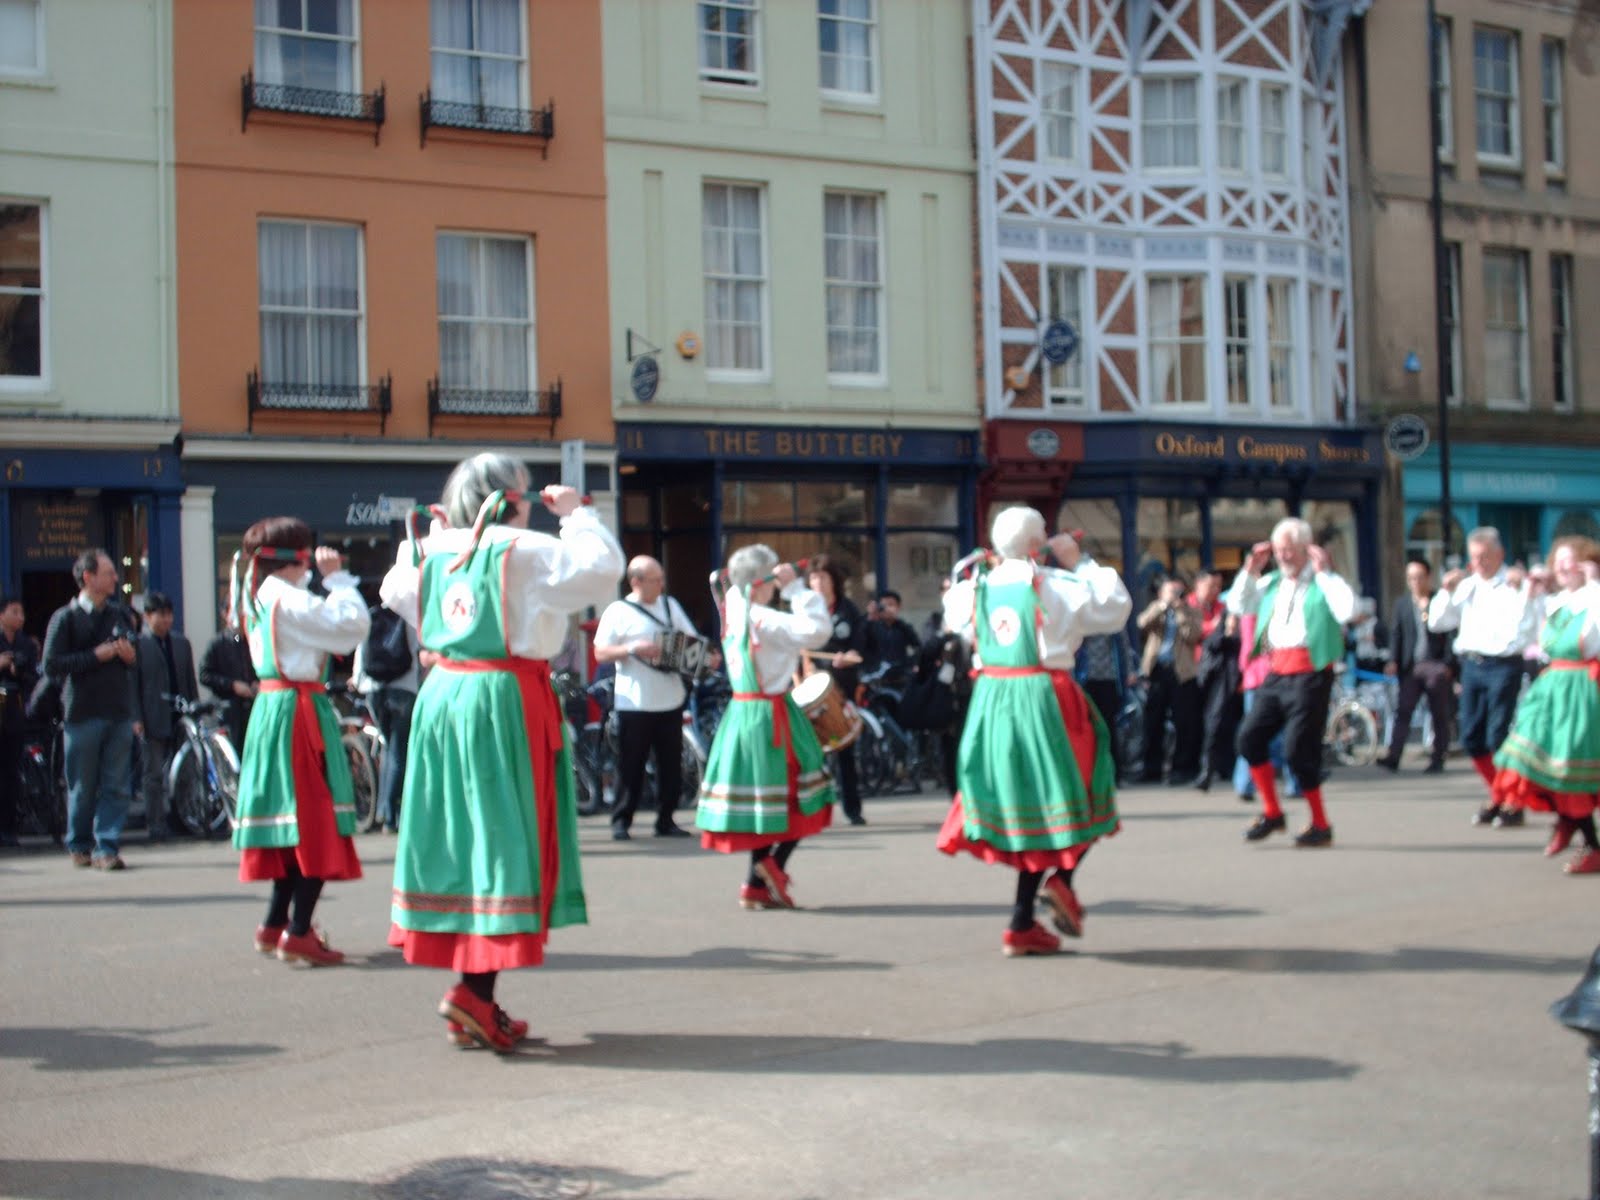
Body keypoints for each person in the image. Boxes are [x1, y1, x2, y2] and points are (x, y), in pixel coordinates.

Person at [382, 453, 623, 1053]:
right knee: (502, 835)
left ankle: (476, 993)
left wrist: (436, 537)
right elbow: (600, 572)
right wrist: (577, 516)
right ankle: (473, 995)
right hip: (504, 697)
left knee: (464, 837)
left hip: (443, 696)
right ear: (516, 499)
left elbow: (395, 591)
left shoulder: (432, 552)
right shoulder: (524, 550)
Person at [939, 510, 1130, 956]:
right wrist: (1078, 559)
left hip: (993, 700)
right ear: (1035, 545)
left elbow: (956, 617)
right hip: (1045, 698)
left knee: (1030, 805)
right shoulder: (1060, 586)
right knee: (1081, 793)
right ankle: (1057, 884)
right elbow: (1115, 609)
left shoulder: (972, 589)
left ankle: (1023, 921)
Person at [231, 520, 368, 965]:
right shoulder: (291, 598)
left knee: (292, 824)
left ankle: (275, 924)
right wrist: (339, 581)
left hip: (272, 709)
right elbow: (351, 628)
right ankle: (299, 930)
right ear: (297, 556)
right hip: (299, 712)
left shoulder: (258, 596)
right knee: (317, 822)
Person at [695, 544, 835, 911]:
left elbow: (733, 589)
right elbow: (818, 632)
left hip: (742, 714)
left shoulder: (734, 610)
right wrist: (798, 591)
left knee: (762, 799)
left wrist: (770, 580)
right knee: (806, 794)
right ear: (760, 582)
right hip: (773, 714)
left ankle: (756, 882)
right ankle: (770, 868)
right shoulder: (765, 619)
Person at [1227, 518, 1356, 847]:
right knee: (1249, 739)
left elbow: (1347, 610)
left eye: (1290, 551)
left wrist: (1325, 572)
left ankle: (1320, 823)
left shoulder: (1322, 584)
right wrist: (1250, 570)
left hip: (1310, 673)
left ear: (1306, 550)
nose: (1283, 557)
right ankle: (1273, 812)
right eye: (1279, 550)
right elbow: (1238, 605)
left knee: (1299, 749)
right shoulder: (1271, 582)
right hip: (1276, 672)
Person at [1489, 537, 1600, 874]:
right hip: (1550, 688)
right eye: (1560, 561)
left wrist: (1595, 582)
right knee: (1527, 758)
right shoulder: (1556, 602)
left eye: (1572, 560)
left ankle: (1590, 843)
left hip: (1581, 688)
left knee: (1567, 765)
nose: (1565, 567)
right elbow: (1520, 638)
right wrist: (1530, 597)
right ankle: (1567, 823)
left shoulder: (1593, 598)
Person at [1428, 527, 1539, 827]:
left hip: (1504, 664)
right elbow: (1438, 622)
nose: (1480, 563)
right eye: (1475, 557)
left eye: (1486, 556)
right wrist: (1446, 590)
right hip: (1473, 665)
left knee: (1497, 736)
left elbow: (1528, 627)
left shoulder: (1513, 583)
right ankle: (1499, 794)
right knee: (1472, 738)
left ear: (1499, 555)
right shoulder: (1467, 586)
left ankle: (1512, 803)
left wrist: (1524, 591)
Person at [593, 555, 709, 840]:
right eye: (656, 580)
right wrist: (633, 648)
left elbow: (691, 640)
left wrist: (704, 657)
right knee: (631, 764)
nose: (662, 584)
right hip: (634, 702)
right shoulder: (618, 611)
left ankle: (666, 819)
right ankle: (622, 820)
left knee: (671, 763)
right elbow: (601, 652)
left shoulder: (670, 606)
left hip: (670, 698)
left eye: (661, 578)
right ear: (636, 582)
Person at [42, 549, 139, 870]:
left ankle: (107, 847)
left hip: (118, 711)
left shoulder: (119, 614)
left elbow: (133, 652)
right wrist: (94, 656)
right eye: (109, 572)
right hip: (81, 713)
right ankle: (79, 843)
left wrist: (127, 655)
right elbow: (52, 664)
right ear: (88, 577)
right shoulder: (64, 618)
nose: (115, 578)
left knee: (116, 784)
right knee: (82, 786)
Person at [805, 555, 869, 824]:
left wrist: (850, 654)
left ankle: (852, 809)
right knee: (810, 751)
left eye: (823, 577)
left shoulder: (849, 610)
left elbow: (861, 645)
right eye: (814, 578)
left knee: (843, 748)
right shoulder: (805, 610)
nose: (818, 583)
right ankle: (813, 809)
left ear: (834, 581)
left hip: (841, 686)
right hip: (811, 685)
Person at [1377, 559, 1455, 774]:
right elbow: (1397, 633)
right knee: (1403, 710)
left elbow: (1450, 632)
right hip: (1411, 666)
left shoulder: (1439, 600)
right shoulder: (1403, 604)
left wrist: (1448, 664)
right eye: (1411, 578)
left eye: (1419, 577)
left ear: (1428, 577)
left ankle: (1438, 757)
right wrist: (1393, 660)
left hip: (1435, 665)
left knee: (1439, 713)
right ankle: (1394, 755)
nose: (1415, 582)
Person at [132, 593, 199, 842]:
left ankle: (182, 818)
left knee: (185, 770)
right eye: (160, 615)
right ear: (147, 617)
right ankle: (156, 824)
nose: (166, 620)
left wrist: (194, 708)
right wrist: (135, 717)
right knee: (153, 774)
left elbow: (189, 680)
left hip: (180, 715)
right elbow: (133, 685)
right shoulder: (140, 645)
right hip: (152, 716)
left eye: (169, 615)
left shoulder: (182, 644)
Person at [352, 615, 420, 834]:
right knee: (398, 751)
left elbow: (360, 655)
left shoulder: (370, 617)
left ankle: (384, 810)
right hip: (405, 688)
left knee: (389, 749)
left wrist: (357, 681)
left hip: (375, 689)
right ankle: (390, 815)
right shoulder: (409, 619)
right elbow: (419, 655)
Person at [1135, 578, 1202, 784]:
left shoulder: (1191, 612)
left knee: (1184, 721)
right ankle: (1151, 768)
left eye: (1179, 592)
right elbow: (1142, 623)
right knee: (1153, 720)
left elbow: (1193, 636)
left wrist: (1180, 612)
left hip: (1181, 672)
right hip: (1157, 670)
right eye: (1171, 592)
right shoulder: (1156, 608)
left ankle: (1181, 768)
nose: (1175, 596)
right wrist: (1163, 606)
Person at [0, 595, 40, 846]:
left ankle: (9, 826)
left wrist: (18, 670)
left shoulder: (26, 644)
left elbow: (33, 677)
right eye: (14, 612)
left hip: (14, 714)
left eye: (22, 613)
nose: (20, 618)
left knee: (11, 772)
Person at [1193, 610, 1243, 792]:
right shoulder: (1219, 638)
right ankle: (1207, 771)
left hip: (1240, 691)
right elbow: (1212, 644)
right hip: (1220, 692)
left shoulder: (1243, 640)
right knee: (1213, 731)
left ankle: (1230, 771)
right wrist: (1226, 632)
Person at [201, 614, 258, 754]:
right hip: (227, 709)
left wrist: (257, 682)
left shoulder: (250, 641)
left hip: (250, 707)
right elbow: (204, 675)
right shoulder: (217, 643)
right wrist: (231, 685)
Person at [866, 589, 921, 685]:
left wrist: (911, 664)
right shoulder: (872, 627)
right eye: (884, 606)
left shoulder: (903, 627)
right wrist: (870, 617)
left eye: (891, 605)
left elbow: (918, 647)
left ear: (898, 607)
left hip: (900, 676)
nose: (887, 609)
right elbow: (861, 645)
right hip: (877, 677)